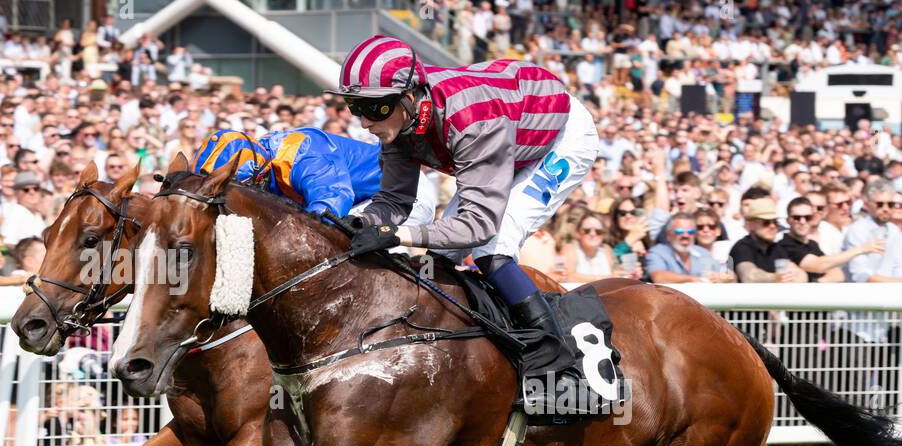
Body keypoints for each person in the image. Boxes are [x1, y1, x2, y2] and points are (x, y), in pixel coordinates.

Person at [330, 36, 600, 414]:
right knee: (440, 255)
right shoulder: (401, 122)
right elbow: (394, 201)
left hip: (557, 137)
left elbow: (478, 225)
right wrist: (358, 225)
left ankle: (561, 371)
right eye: (355, 105)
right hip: (506, 135)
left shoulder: (471, 120)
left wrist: (398, 234)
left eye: (374, 106)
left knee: (493, 247)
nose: (364, 120)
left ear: (410, 97)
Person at [192, 127, 435, 225]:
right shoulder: (260, 160)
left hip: (401, 194)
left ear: (258, 174)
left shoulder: (303, 154)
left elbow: (331, 206)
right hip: (364, 199)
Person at [644, 210, 729, 283]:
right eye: (679, 231)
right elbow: (658, 277)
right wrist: (694, 279)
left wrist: (724, 278)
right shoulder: (658, 252)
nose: (685, 235)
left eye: (690, 231)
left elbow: (727, 275)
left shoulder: (702, 253)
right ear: (669, 235)